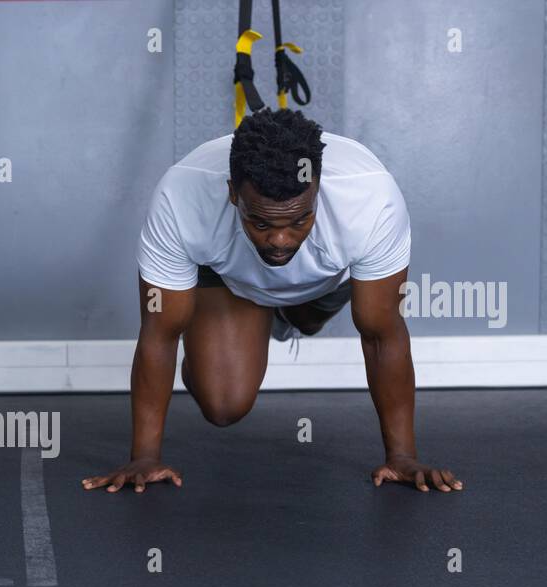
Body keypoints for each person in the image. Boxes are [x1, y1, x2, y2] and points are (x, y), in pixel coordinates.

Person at [83, 108, 462, 495]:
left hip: (325, 278)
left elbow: (383, 336)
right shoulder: (181, 198)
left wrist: (402, 457)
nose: (280, 241)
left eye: (299, 221)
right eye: (261, 223)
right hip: (232, 278)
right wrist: (144, 457)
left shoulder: (370, 198)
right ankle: (240, 324)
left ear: (318, 188)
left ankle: (289, 311)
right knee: (223, 406)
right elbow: (159, 333)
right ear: (233, 193)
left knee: (348, 316)